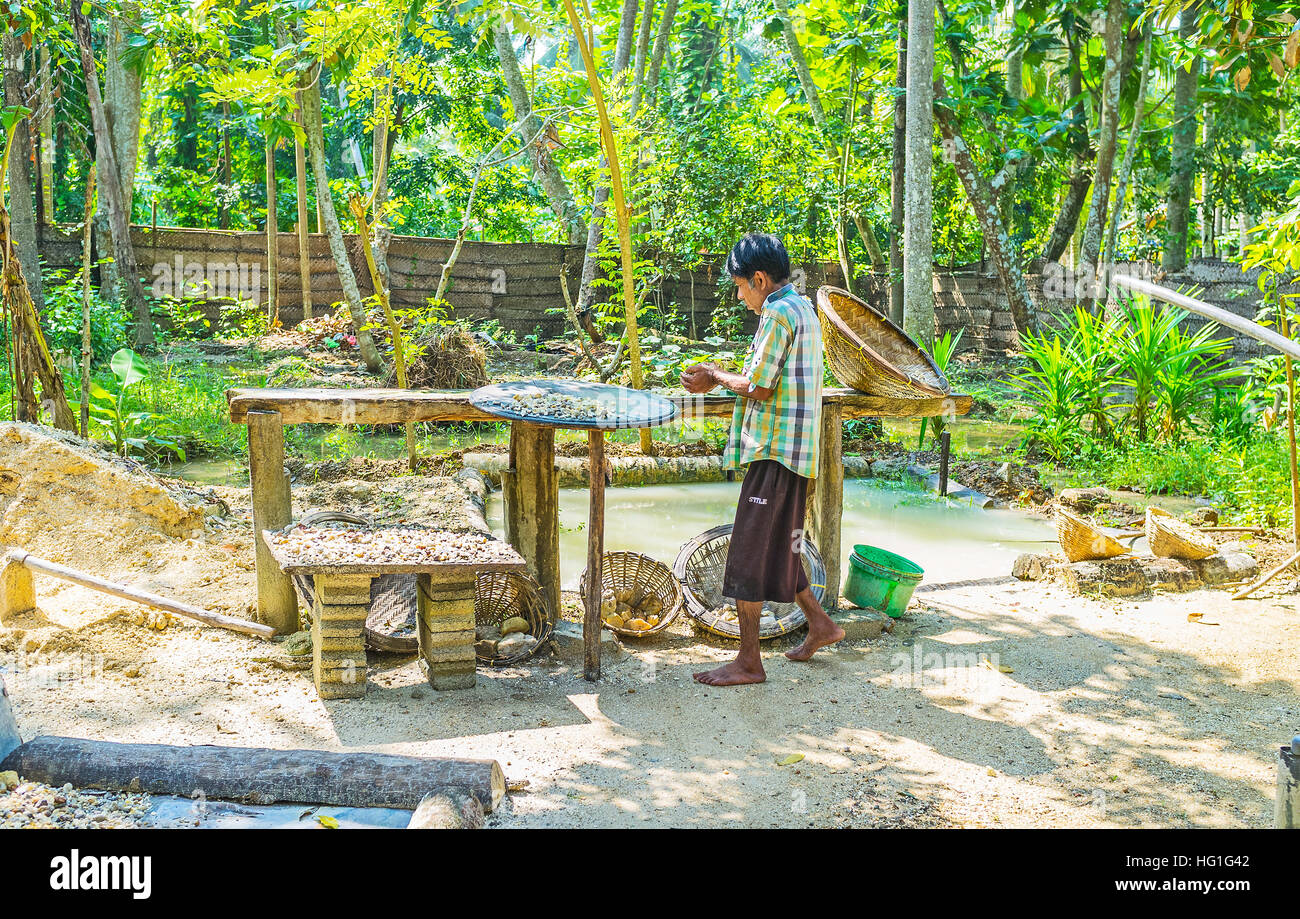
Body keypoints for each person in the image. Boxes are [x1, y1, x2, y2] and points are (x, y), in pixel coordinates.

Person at [680, 233, 844, 686]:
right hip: (796, 454)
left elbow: (759, 386)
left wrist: (713, 375)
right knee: (781, 549)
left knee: (750, 556)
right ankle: (822, 624)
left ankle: (749, 661)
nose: (740, 296)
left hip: (773, 452)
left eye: (740, 286)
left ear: (758, 279)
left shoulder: (776, 312)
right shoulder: (803, 308)